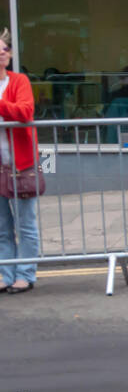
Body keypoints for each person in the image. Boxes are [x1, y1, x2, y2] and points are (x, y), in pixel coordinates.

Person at [0, 30, 39, 293]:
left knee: (25, 223)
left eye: (4, 49)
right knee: (2, 227)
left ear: (10, 55)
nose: (1, 52)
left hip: (19, 164)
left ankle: (25, 274)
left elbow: (25, 111)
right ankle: (5, 274)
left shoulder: (19, 81)